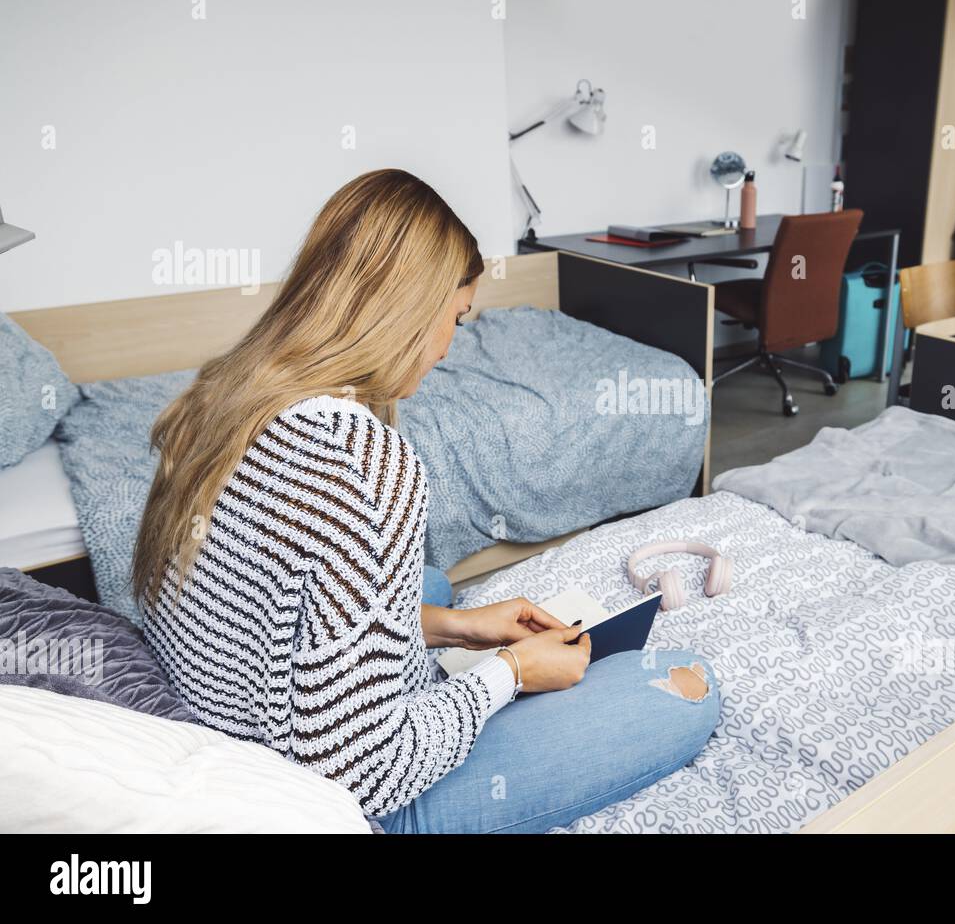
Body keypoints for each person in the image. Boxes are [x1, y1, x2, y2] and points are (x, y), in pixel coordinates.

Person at [133, 168, 719, 833]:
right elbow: (365, 773)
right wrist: (510, 672)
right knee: (684, 681)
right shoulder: (362, 463)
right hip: (338, 801)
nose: (446, 348)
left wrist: (461, 626)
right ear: (408, 309)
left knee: (432, 585)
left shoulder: (218, 396)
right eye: (456, 318)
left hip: (234, 716)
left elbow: (291, 619)